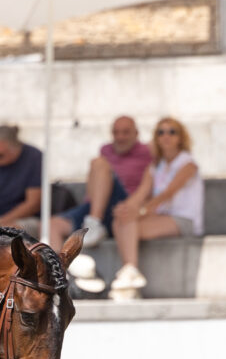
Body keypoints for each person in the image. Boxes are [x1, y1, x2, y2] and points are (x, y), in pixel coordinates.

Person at [50, 116, 152, 293]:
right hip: (95, 205)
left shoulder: (148, 152)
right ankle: (58, 274)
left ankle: (94, 222)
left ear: (136, 133)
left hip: (123, 203)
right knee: (52, 225)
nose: (120, 137)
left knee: (98, 164)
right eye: (116, 132)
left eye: (126, 132)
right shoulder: (106, 150)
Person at [108, 116, 204, 300]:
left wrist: (141, 211)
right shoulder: (155, 167)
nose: (166, 136)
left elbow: (167, 194)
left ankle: (130, 272)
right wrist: (125, 208)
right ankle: (130, 272)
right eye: (161, 132)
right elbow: (140, 194)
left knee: (130, 221)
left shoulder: (188, 164)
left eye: (172, 131)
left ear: (180, 137)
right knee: (122, 219)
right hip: (162, 218)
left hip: (184, 220)